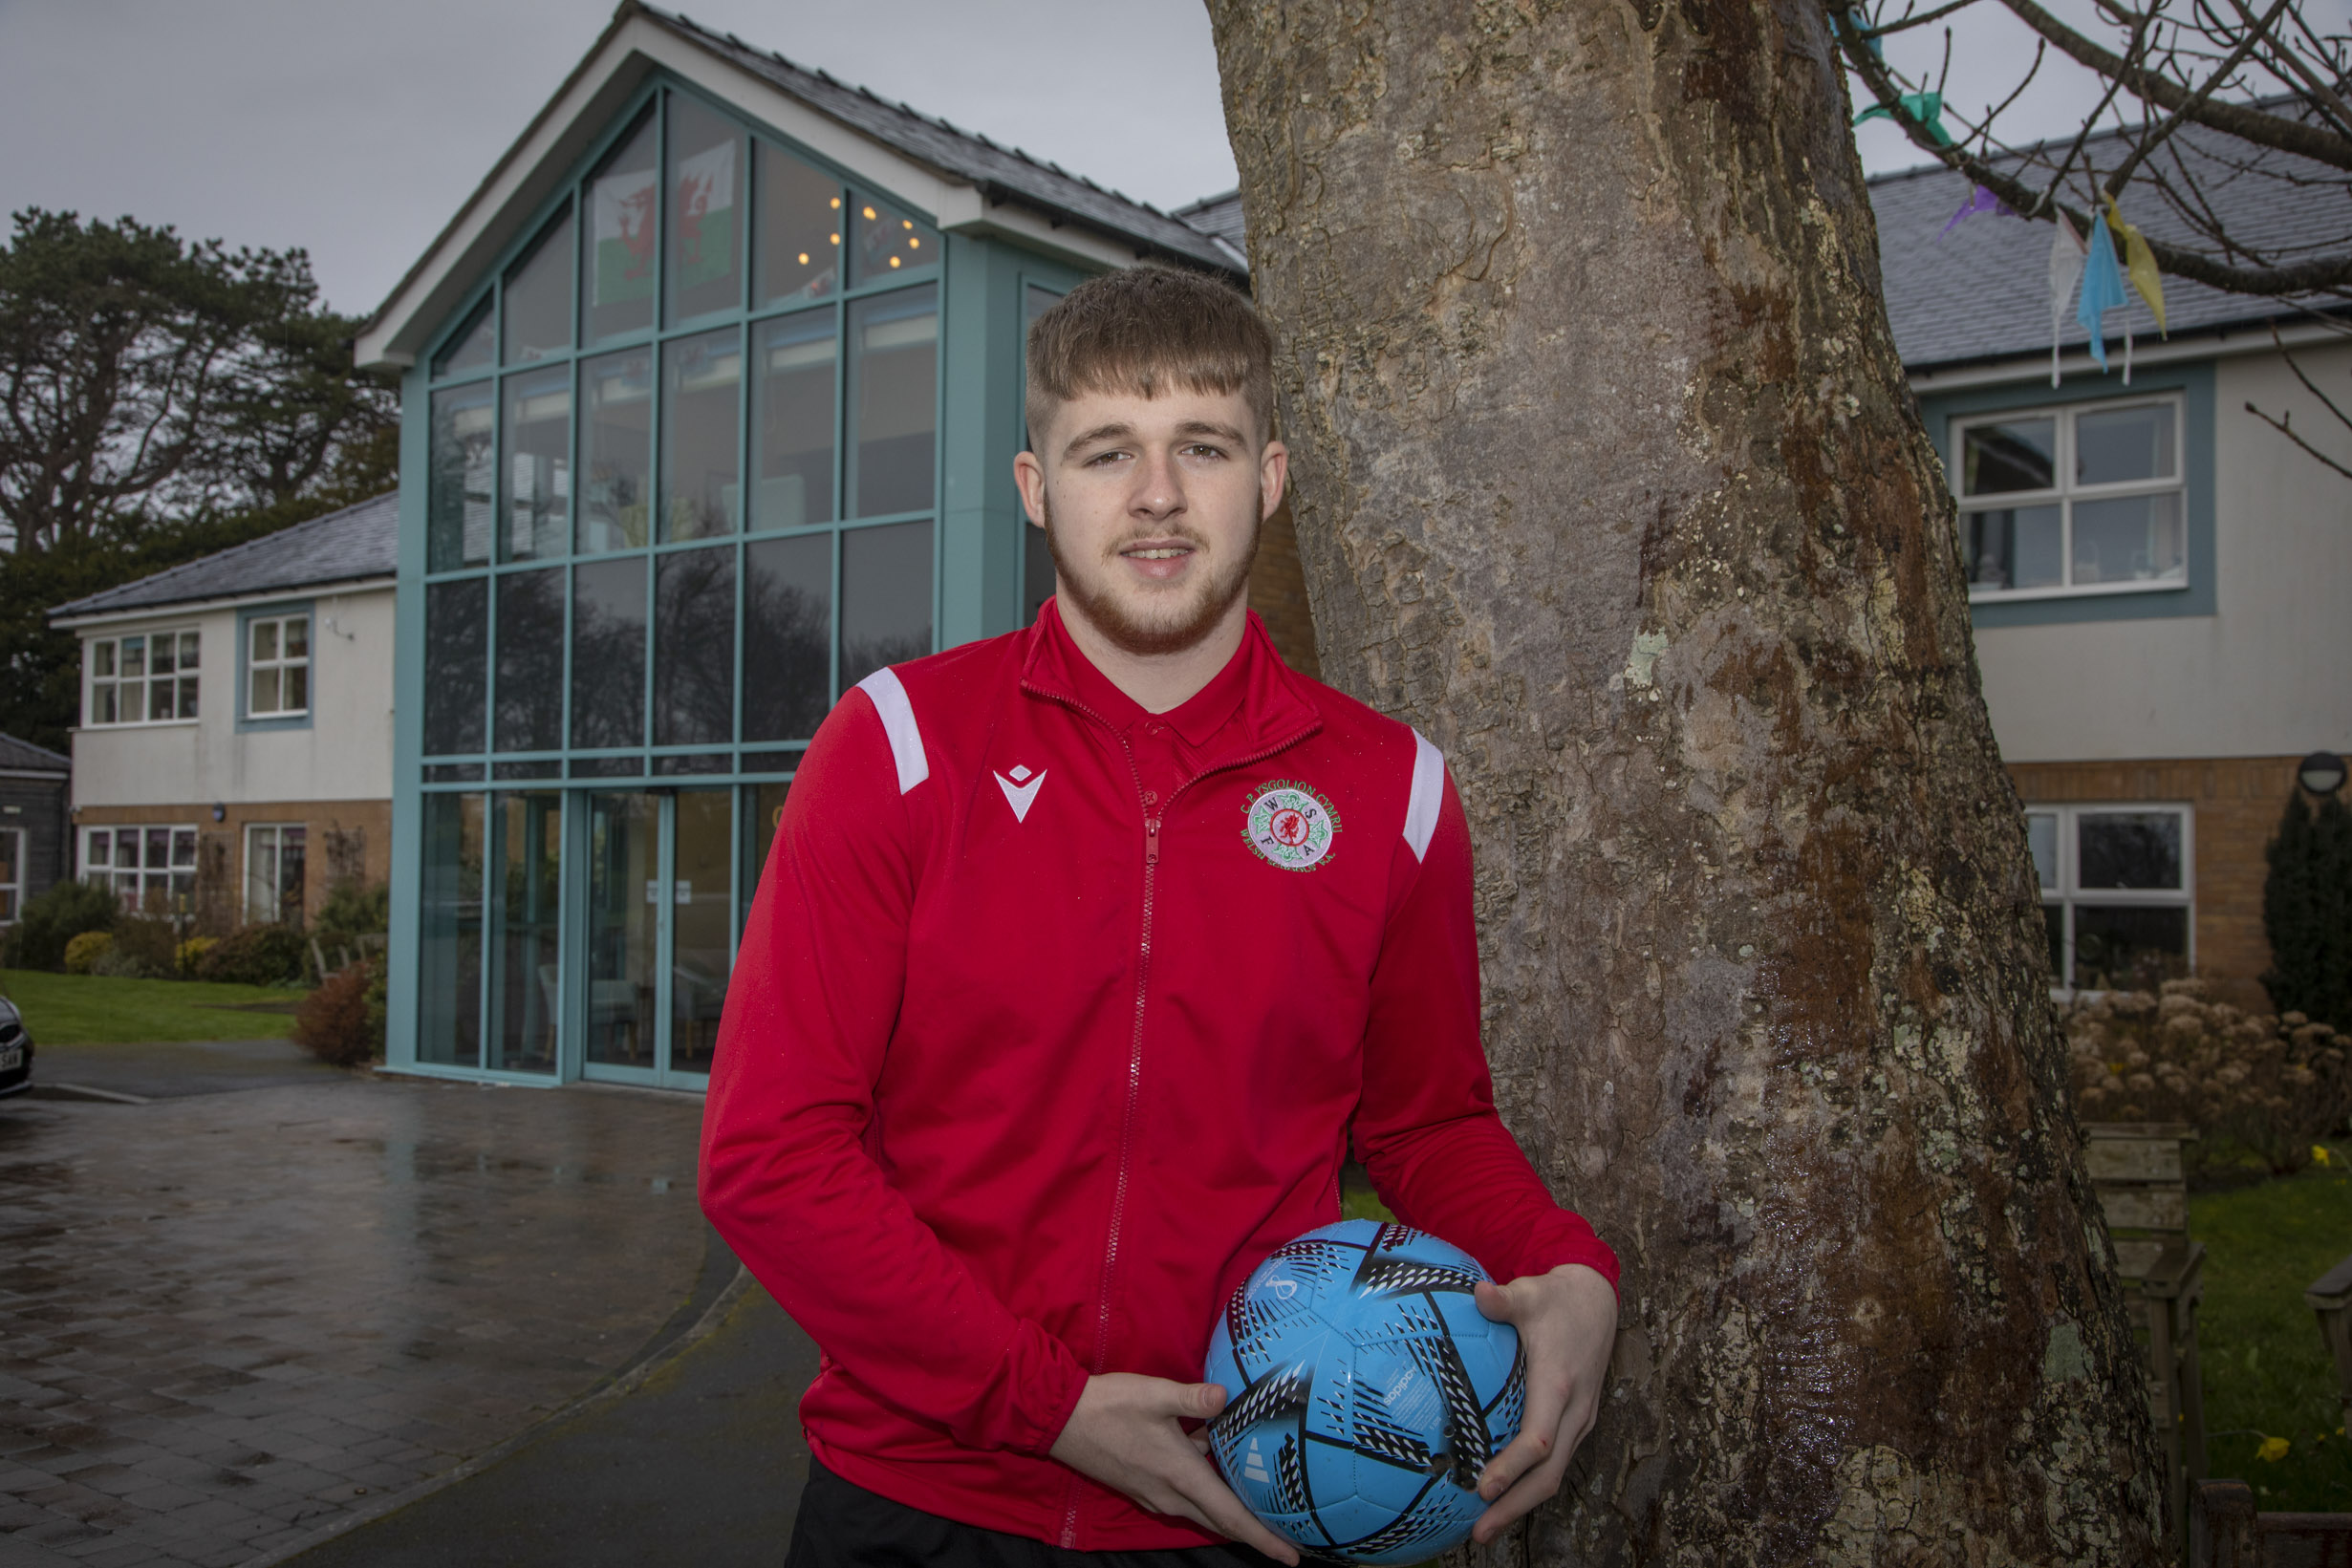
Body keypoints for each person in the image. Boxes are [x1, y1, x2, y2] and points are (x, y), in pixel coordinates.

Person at [701, 265, 1619, 1568]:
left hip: (1243, 1514)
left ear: (1271, 476)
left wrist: (1566, 1265)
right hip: (917, 1503)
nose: (1155, 495)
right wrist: (1047, 1404)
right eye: (1103, 451)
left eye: (1202, 444)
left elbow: (1426, 1120)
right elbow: (771, 1152)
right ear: (1034, 488)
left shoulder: (1393, 791)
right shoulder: (897, 746)